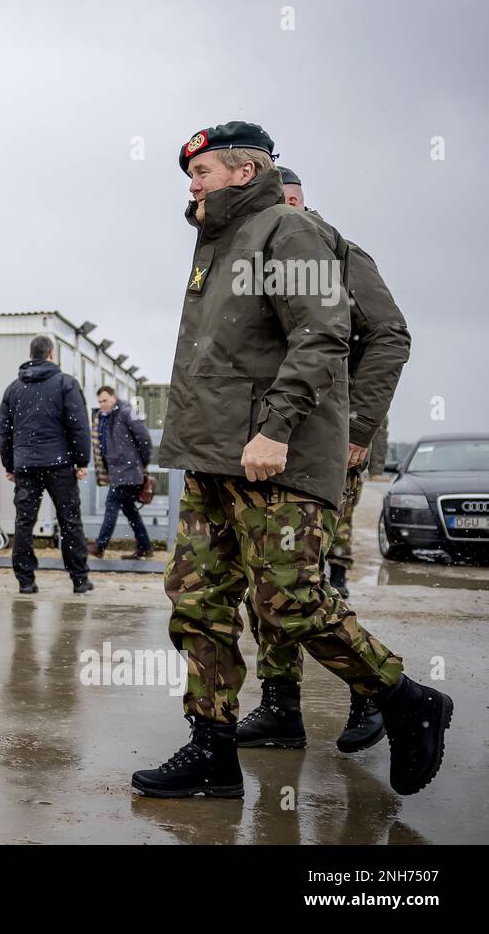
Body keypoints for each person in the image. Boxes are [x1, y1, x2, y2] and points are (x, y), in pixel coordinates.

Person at [131, 121, 451, 800]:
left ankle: (404, 698)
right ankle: (213, 751)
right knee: (198, 605)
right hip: (210, 457)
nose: (193, 184)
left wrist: (276, 429)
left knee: (293, 603)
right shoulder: (216, 244)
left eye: (204, 172)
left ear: (244, 172)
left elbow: (323, 334)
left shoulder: (289, 229)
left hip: (269, 458)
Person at [236, 164, 411, 755]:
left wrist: (359, 428)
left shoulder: (335, 251)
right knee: (266, 579)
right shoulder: (254, 255)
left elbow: (389, 335)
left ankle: (371, 688)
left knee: (307, 577)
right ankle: (281, 704)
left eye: (290, 205)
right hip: (266, 441)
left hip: (327, 444)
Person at [0, 335, 93, 594]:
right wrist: (81, 460)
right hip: (60, 464)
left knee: (24, 523)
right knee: (70, 521)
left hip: (26, 466)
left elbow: (4, 431)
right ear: (51, 354)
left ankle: (26, 581)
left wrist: (10, 465)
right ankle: (79, 579)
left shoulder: (13, 389)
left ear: (32, 355)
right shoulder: (66, 384)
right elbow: (79, 426)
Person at [87, 386, 154, 560]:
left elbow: (144, 438)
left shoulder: (126, 412)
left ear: (114, 397)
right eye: (100, 401)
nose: (102, 404)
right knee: (129, 510)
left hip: (128, 471)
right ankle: (145, 546)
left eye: (105, 400)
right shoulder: (108, 417)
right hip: (122, 472)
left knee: (111, 505)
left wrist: (142, 464)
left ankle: (100, 546)